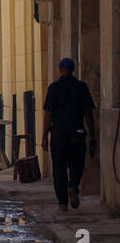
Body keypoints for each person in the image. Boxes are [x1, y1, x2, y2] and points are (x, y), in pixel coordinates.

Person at [42, 57, 96, 211]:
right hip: (76, 133)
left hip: (58, 135)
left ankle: (62, 203)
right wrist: (92, 134)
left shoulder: (53, 88)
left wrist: (44, 137)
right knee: (77, 164)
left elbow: (48, 114)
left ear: (60, 70)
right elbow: (88, 113)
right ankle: (73, 185)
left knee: (58, 168)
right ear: (73, 70)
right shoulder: (81, 87)